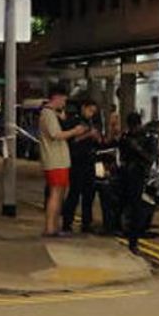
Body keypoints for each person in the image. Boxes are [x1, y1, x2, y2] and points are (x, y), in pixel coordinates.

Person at [38, 86, 88, 238]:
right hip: (55, 160)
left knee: (59, 193)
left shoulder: (52, 114)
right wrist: (75, 131)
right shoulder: (48, 114)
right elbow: (55, 134)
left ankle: (54, 226)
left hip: (59, 159)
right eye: (64, 100)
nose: (64, 104)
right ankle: (50, 227)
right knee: (55, 193)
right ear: (57, 97)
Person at [118, 113, 157, 254]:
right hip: (125, 175)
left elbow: (150, 158)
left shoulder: (147, 138)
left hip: (139, 176)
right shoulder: (125, 138)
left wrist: (137, 149)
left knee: (137, 209)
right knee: (124, 206)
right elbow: (122, 156)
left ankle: (133, 241)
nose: (133, 129)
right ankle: (125, 233)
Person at [63, 99, 103, 234]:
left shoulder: (92, 122)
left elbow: (99, 142)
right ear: (83, 108)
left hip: (89, 160)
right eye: (90, 111)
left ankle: (87, 222)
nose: (91, 114)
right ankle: (67, 222)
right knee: (74, 193)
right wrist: (87, 135)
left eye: (93, 112)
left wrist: (97, 137)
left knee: (89, 194)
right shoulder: (74, 122)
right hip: (77, 161)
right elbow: (72, 141)